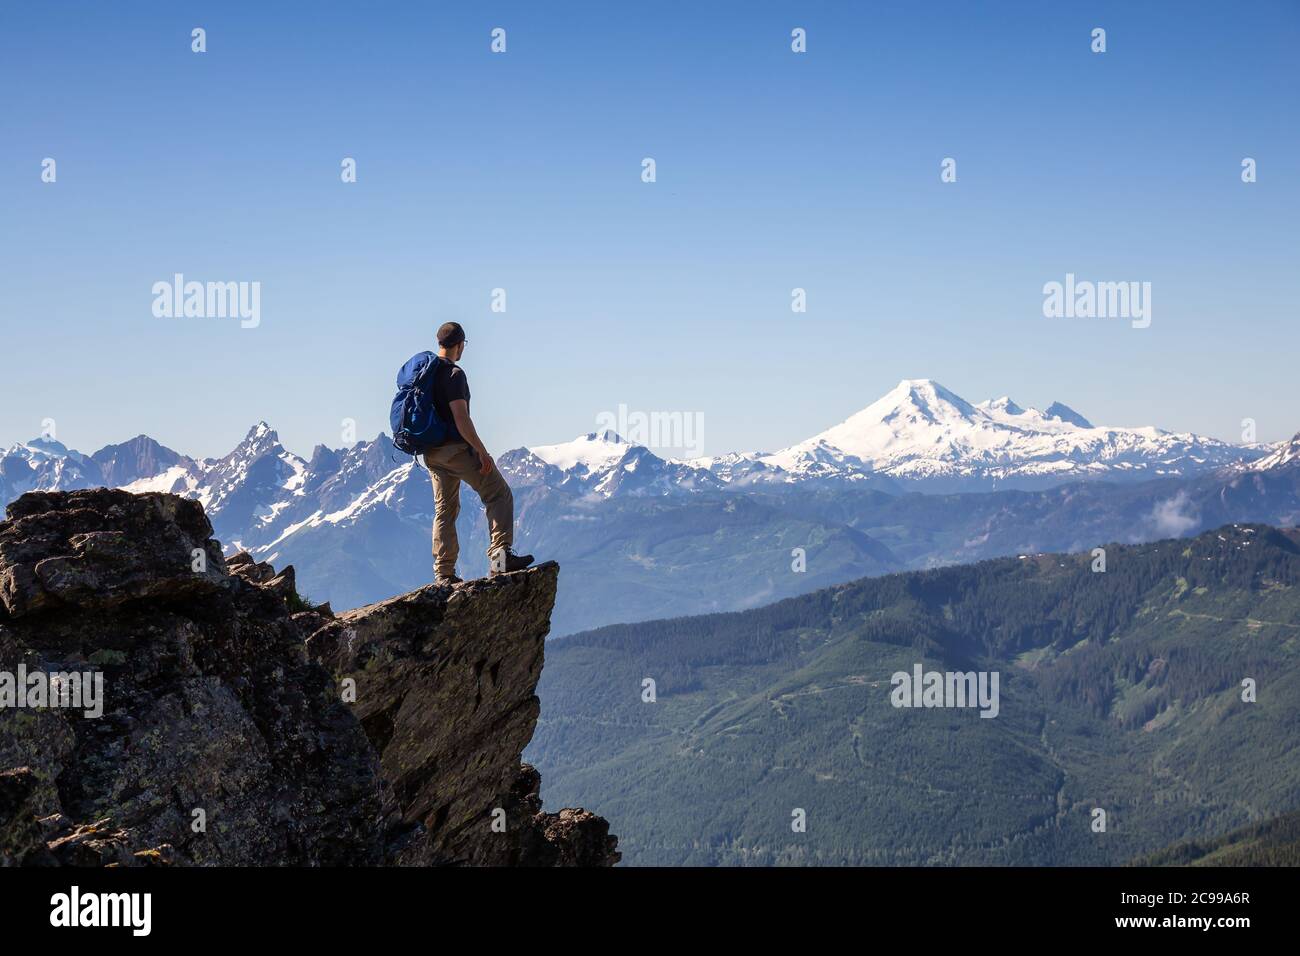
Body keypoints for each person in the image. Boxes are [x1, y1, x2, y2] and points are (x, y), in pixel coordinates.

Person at [422, 321, 533, 585]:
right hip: (454, 449)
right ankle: (500, 561)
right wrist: (482, 452)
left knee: (445, 510)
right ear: (459, 345)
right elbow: (461, 418)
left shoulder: (425, 374)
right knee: (498, 493)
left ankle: (444, 574)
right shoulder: (454, 375)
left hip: (431, 453)